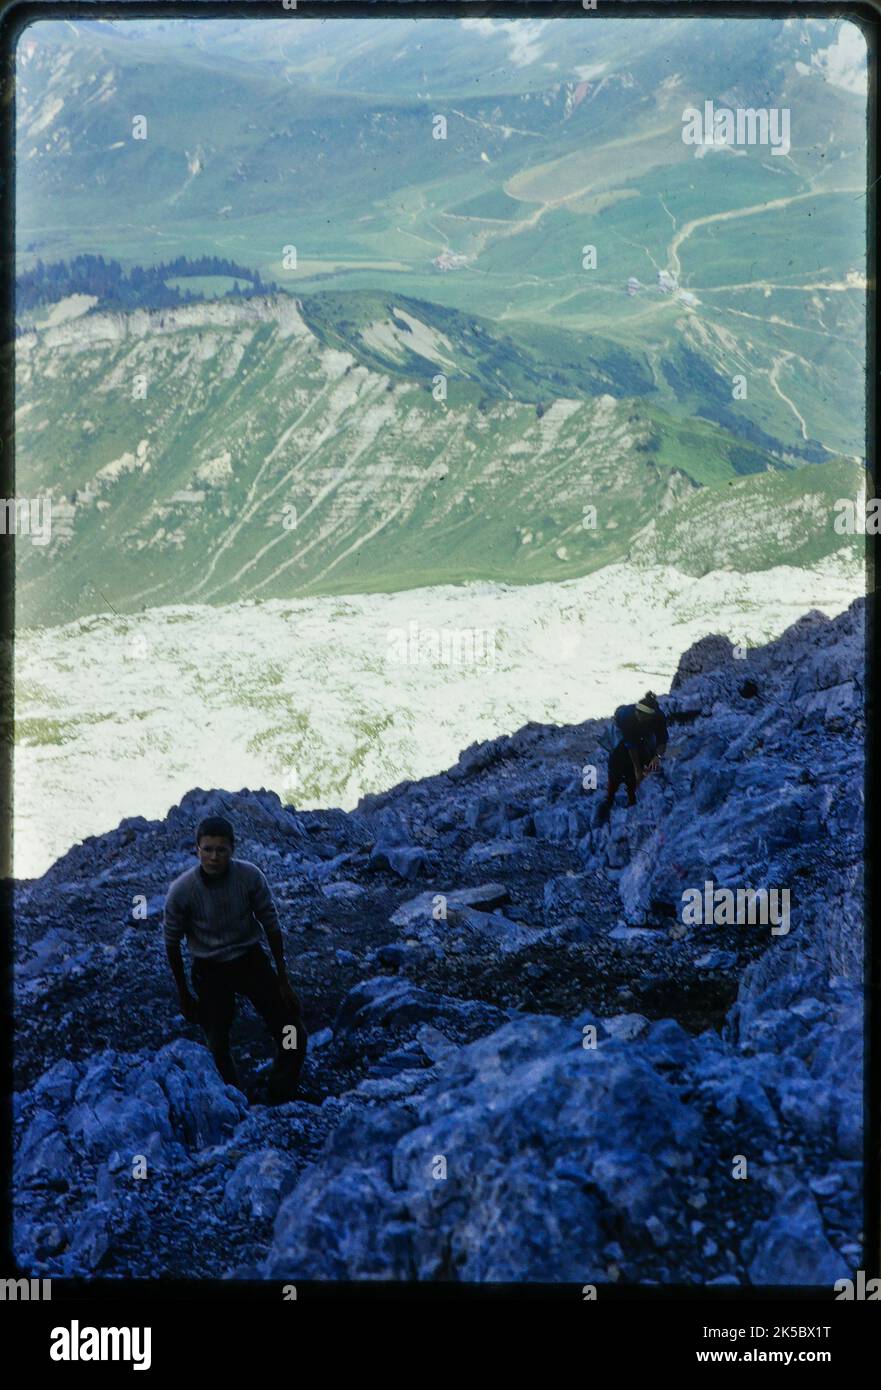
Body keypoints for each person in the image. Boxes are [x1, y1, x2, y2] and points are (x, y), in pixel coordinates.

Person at [164, 815, 307, 1102]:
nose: (214, 856)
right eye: (207, 849)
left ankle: (282, 1090)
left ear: (233, 849)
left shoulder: (250, 876)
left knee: (291, 1030)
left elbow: (271, 924)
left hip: (249, 960)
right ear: (197, 849)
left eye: (221, 850)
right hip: (209, 969)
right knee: (217, 1042)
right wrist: (183, 993)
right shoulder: (181, 890)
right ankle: (235, 1099)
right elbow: (171, 942)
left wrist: (282, 979)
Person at [596, 692, 668, 826]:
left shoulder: (659, 717)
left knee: (646, 759)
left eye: (642, 715)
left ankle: (632, 798)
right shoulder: (628, 716)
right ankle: (609, 799)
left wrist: (657, 757)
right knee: (617, 763)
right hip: (623, 730)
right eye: (637, 712)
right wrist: (637, 770)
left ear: (651, 716)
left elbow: (662, 740)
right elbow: (631, 745)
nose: (638, 715)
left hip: (644, 733)